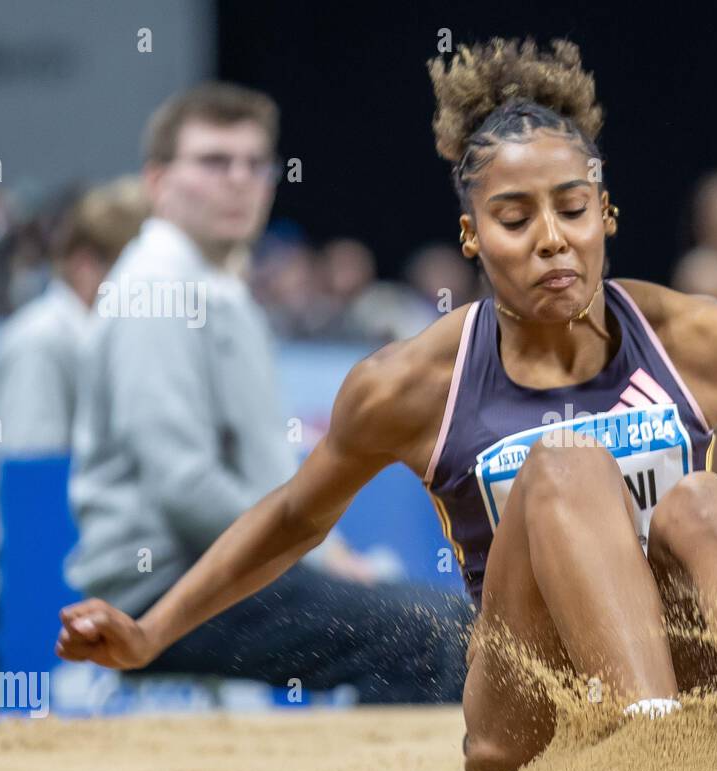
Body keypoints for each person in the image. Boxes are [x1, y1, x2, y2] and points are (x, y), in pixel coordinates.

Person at [55, 40, 717, 771]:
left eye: (571, 209)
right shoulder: (410, 384)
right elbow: (291, 519)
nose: (551, 239)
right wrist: (152, 631)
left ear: (606, 213)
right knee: (566, 472)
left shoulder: (702, 340)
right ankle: (649, 756)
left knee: (703, 497)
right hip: (530, 724)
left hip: (699, 674)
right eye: (514, 218)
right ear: (473, 238)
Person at [62, 81, 472, 703]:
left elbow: (266, 482)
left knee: (435, 623)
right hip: (168, 589)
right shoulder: (154, 290)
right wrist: (320, 560)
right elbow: (185, 488)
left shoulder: (217, 290)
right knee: (432, 634)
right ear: (157, 181)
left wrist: (326, 555)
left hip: (236, 571)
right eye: (213, 161)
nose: (239, 180)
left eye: (256, 164)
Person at [0, 177, 149, 624]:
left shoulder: (104, 346)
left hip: (63, 561)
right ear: (84, 266)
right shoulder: (42, 344)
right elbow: (34, 500)